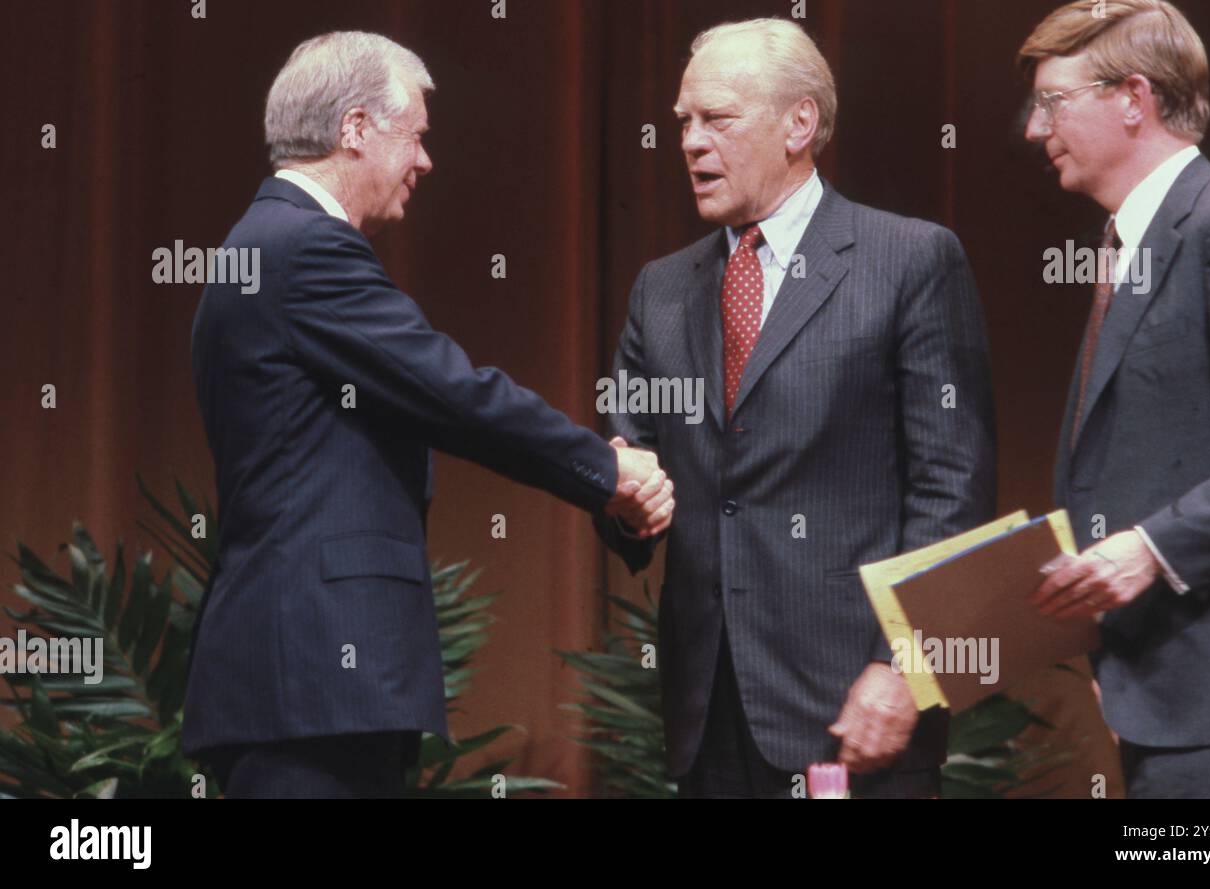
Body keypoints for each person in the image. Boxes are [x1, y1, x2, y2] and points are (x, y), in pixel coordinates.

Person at [182, 31, 672, 798]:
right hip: (314, 684)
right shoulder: (306, 248)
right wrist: (607, 469)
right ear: (355, 129)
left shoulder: (258, 244)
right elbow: (457, 394)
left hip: (295, 683)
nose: (425, 161)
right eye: (415, 136)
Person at [598, 18, 996, 798]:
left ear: (799, 123)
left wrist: (904, 670)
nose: (689, 141)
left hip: (859, 713)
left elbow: (953, 495)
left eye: (716, 118)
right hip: (707, 720)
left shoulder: (909, 260)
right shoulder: (662, 289)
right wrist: (618, 492)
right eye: (683, 121)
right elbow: (631, 480)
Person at [1023, 0, 1210, 798]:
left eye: (1053, 103)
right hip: (1165, 698)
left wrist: (1149, 549)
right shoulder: (1130, 243)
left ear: (1133, 99)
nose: (1037, 130)